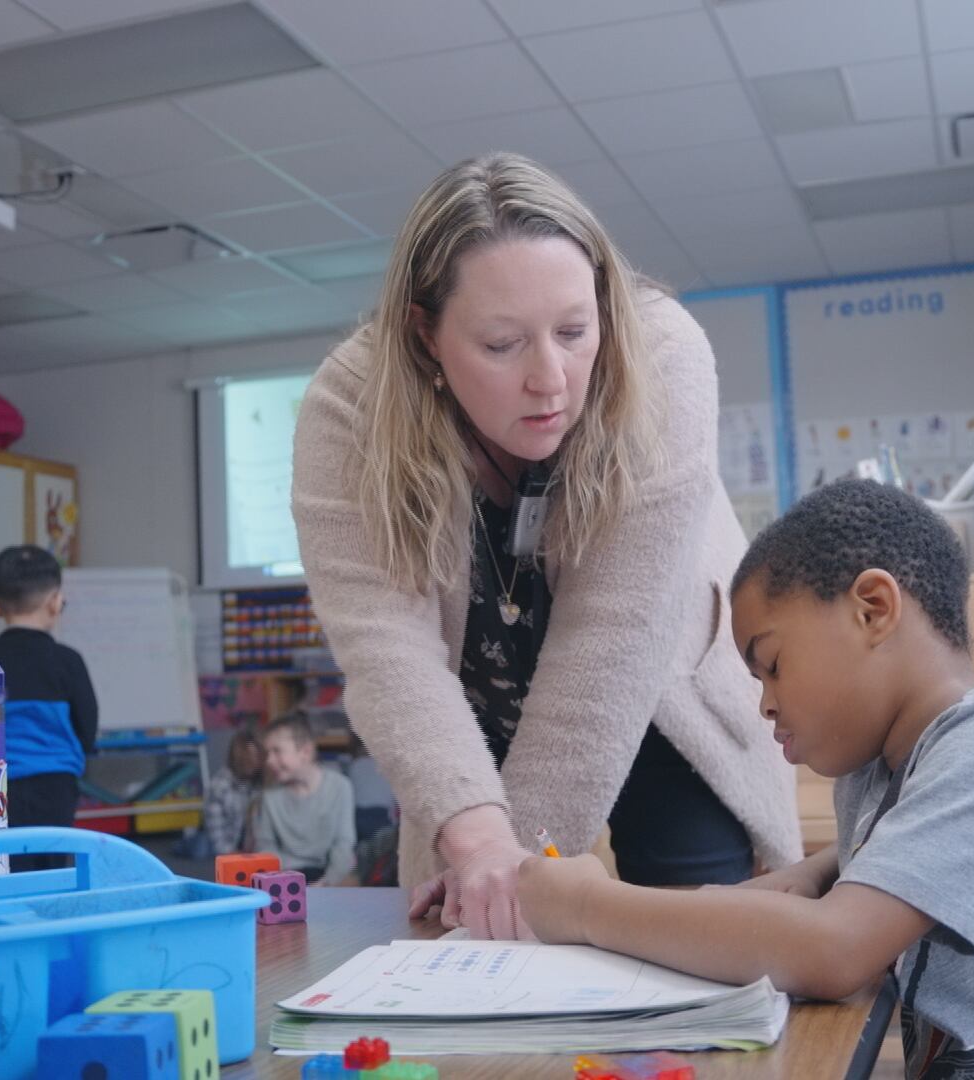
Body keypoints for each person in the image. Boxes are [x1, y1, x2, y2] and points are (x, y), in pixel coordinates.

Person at [518, 480, 974, 1080]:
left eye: (771, 663)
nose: (764, 701)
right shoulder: (882, 775)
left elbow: (833, 947)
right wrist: (615, 930)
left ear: (874, 608)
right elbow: (803, 888)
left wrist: (590, 904)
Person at [291, 153, 800, 938]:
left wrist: (513, 869)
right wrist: (481, 842)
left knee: (698, 950)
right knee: (477, 956)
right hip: (470, 725)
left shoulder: (663, 356)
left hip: (658, 694)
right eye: (501, 345)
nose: (551, 379)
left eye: (573, 331)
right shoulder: (350, 407)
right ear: (425, 334)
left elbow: (613, 641)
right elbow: (386, 649)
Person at [0, 545, 98, 873]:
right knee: (51, 871)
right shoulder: (68, 662)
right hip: (55, 785)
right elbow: (87, 729)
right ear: (55, 602)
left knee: (6, 869)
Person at [249, 715, 356, 884]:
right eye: (267, 753)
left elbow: (343, 845)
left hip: (328, 875)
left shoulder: (340, 787)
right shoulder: (269, 797)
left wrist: (327, 883)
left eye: (277, 751)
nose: (269, 760)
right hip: (285, 876)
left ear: (305, 752)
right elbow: (265, 846)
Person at [197, 729, 263, 856]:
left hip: (253, 847)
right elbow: (216, 835)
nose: (255, 762)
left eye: (257, 756)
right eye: (250, 757)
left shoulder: (262, 781)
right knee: (201, 849)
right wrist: (235, 854)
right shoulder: (220, 786)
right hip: (229, 845)